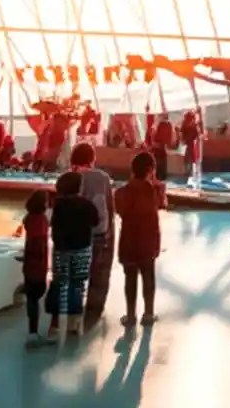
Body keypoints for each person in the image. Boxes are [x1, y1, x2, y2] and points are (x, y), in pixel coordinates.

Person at [115, 152, 166, 328]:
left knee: (130, 279)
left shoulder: (122, 192)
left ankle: (130, 315)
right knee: (148, 277)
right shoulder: (154, 190)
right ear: (151, 170)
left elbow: (120, 210)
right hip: (148, 241)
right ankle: (149, 313)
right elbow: (162, 204)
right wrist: (155, 181)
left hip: (128, 240)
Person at [47, 171, 99, 336]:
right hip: (82, 248)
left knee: (59, 283)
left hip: (62, 249)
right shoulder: (87, 204)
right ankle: (74, 323)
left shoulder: (58, 205)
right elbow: (96, 221)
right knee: (77, 285)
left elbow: (53, 225)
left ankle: (54, 323)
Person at [69, 143, 115, 320]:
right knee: (99, 272)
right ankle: (94, 310)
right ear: (92, 159)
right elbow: (110, 207)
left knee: (77, 273)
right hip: (100, 233)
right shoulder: (103, 178)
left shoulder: (71, 177)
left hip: (77, 234)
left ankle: (74, 311)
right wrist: (110, 230)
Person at [21, 190, 54, 347]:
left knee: (31, 297)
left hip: (29, 264)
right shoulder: (41, 220)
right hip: (37, 264)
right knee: (36, 295)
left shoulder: (29, 218)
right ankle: (33, 332)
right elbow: (38, 242)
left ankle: (32, 332)